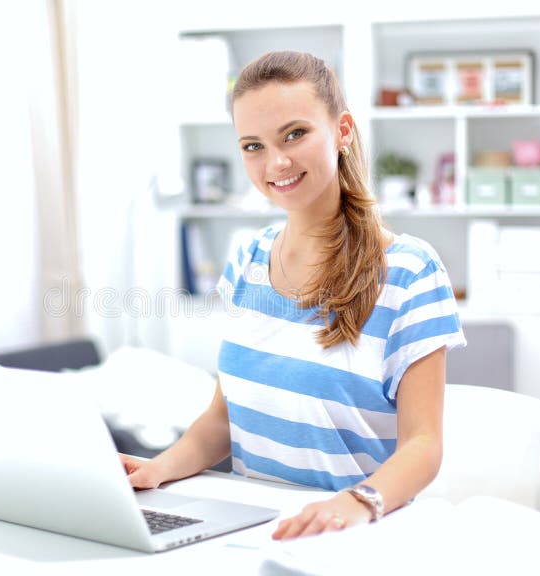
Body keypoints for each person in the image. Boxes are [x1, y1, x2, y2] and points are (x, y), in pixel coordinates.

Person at [121, 50, 466, 540]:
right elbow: (223, 420)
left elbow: (424, 444)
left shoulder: (411, 272)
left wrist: (355, 504)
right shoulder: (248, 258)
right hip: (251, 530)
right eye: (252, 146)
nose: (275, 163)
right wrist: (158, 469)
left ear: (342, 131)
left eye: (295, 134)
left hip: (357, 534)